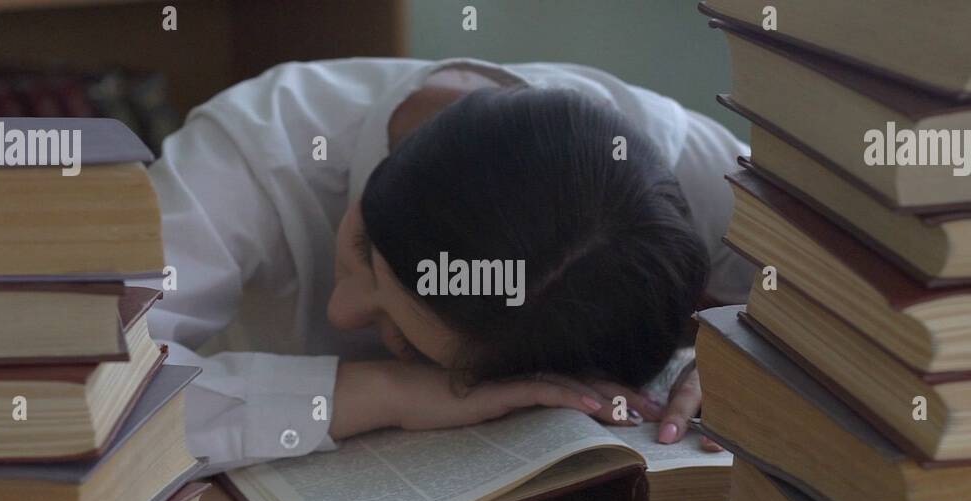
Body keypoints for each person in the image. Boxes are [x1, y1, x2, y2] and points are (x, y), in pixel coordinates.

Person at [143, 58, 753, 476]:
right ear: (396, 163)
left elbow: (837, 311)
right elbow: (77, 389)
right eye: (363, 249)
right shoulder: (252, 146)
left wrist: (751, 348)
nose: (341, 310)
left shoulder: (706, 179)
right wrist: (382, 388)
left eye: (407, 343)